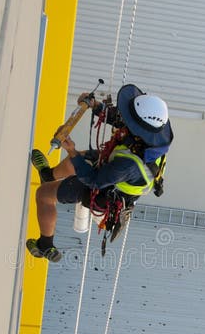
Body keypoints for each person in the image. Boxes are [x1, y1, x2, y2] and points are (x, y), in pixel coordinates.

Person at [26, 83, 174, 262]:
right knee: (82, 157)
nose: (125, 117)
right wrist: (96, 107)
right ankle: (48, 176)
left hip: (105, 191)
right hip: (113, 170)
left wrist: (70, 150)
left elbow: (94, 180)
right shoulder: (156, 130)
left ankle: (45, 245)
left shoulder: (129, 164)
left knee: (44, 195)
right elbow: (122, 119)